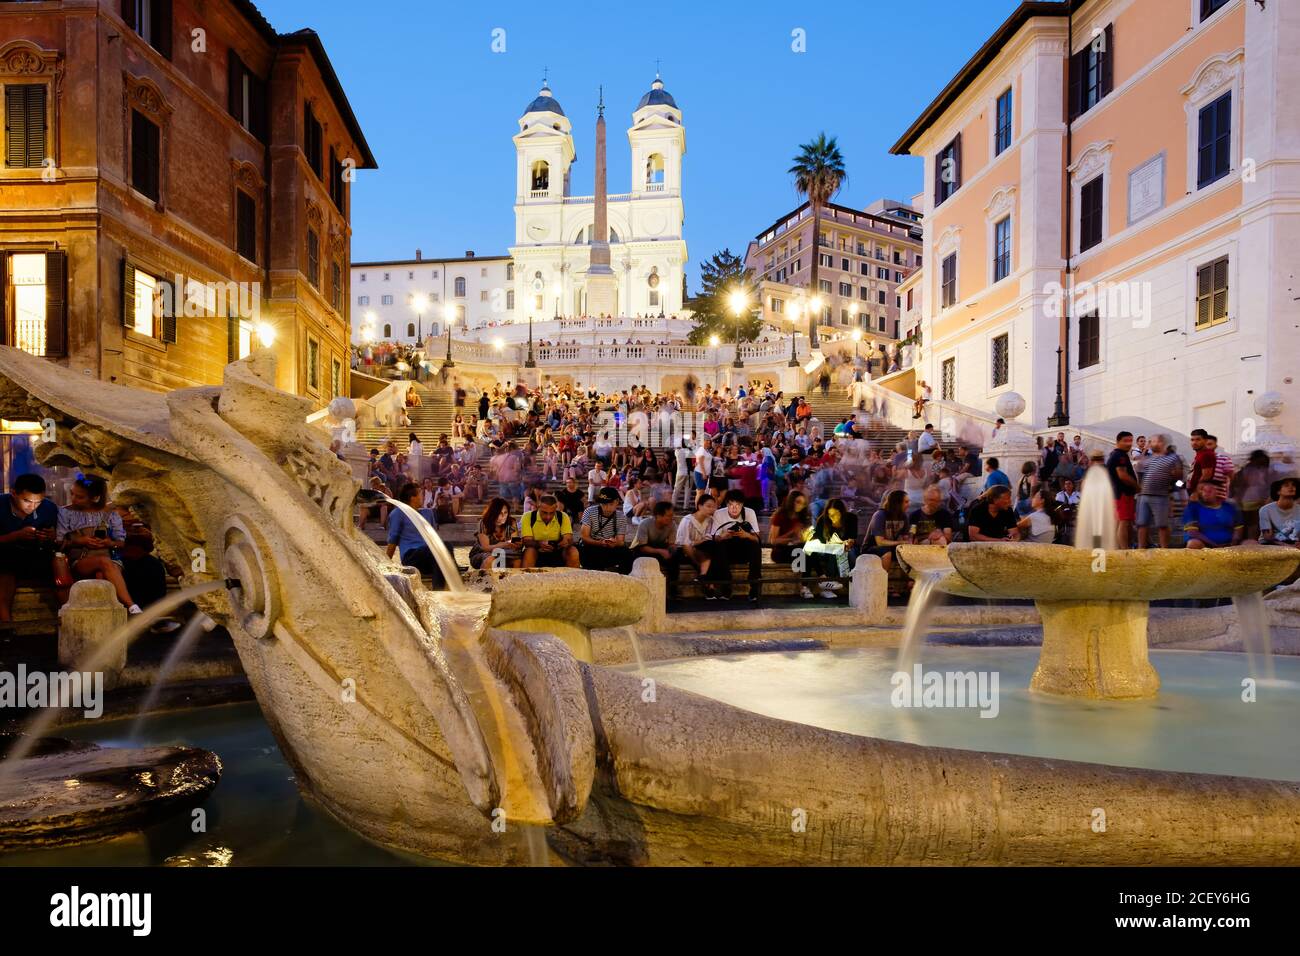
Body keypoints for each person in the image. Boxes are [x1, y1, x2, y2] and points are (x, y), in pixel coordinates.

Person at [57, 474, 143, 614]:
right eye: (72, 494)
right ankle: (131, 606)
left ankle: (106, 620)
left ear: (94, 497)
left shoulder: (109, 513)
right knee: (104, 563)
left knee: (101, 575)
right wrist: (79, 541)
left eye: (80, 497)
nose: (73, 499)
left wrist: (108, 542)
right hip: (80, 560)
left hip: (110, 560)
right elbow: (59, 543)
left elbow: (121, 543)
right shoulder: (66, 512)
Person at [0, 473, 60, 625]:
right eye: (27, 501)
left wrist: (51, 536)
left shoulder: (49, 508)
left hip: (37, 555)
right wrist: (15, 536)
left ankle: (67, 619)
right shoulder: (1, 504)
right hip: (5, 556)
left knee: (60, 566)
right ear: (13, 493)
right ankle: (6, 624)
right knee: (5, 570)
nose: (32, 507)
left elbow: (61, 539)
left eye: (37, 502)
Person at [385, 482, 447, 587]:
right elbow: (393, 542)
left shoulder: (428, 513)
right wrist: (385, 565)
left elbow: (435, 538)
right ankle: (439, 591)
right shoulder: (398, 513)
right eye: (421, 494)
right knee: (435, 550)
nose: (423, 497)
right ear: (412, 498)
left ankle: (444, 588)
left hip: (429, 556)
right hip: (411, 556)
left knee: (446, 546)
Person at [709, 490, 763, 602]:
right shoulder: (719, 514)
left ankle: (754, 585)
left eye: (738, 505)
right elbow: (714, 538)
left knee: (755, 546)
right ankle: (726, 585)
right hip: (727, 550)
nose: (734, 508)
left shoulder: (749, 513)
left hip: (744, 549)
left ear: (742, 505)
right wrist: (723, 536)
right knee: (719, 546)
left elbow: (757, 538)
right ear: (726, 504)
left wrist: (746, 535)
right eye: (731, 505)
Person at [1136, 433, 1183, 549]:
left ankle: (1164, 549)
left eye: (1152, 441)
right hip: (1144, 495)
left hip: (1160, 496)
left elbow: (1180, 477)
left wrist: (1175, 488)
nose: (1149, 444)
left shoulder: (1173, 458)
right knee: (1142, 524)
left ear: (1161, 443)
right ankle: (1141, 549)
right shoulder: (1148, 459)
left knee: (1162, 525)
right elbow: (1139, 471)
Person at [805, 498, 858, 597]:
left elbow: (852, 539)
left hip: (847, 548)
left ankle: (853, 584)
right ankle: (827, 585)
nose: (832, 517)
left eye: (836, 514)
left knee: (850, 554)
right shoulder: (823, 520)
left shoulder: (851, 518)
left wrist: (845, 544)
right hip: (827, 549)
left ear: (842, 513)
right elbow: (817, 540)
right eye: (830, 514)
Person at [676, 494, 723, 599]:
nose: (712, 509)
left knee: (711, 550)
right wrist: (697, 561)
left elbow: (709, 539)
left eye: (714, 507)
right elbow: (684, 543)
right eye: (708, 506)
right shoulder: (687, 520)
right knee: (705, 553)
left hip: (702, 550)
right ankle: (707, 582)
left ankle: (704, 579)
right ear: (699, 506)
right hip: (686, 552)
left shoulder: (710, 521)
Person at [579, 487, 631, 573]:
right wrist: (599, 543)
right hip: (592, 546)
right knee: (589, 553)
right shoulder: (590, 511)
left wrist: (614, 543)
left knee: (627, 553)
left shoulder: (621, 516)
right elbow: (584, 537)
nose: (606, 507)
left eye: (610, 504)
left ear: (617, 502)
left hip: (609, 547)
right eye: (603, 504)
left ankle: (623, 579)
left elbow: (621, 541)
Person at [520, 494, 580, 568]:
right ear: (538, 507)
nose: (548, 517)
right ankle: (527, 578)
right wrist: (539, 544)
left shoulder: (562, 516)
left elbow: (569, 539)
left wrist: (566, 542)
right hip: (536, 552)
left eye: (552, 513)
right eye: (544, 512)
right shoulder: (528, 516)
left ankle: (573, 578)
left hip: (557, 552)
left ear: (556, 508)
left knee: (573, 551)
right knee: (530, 551)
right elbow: (526, 541)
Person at [1183, 481, 1243, 549]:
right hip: (1205, 545)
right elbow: (1192, 532)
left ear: (1217, 492)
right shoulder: (1192, 508)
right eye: (1202, 490)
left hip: (1230, 545)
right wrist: (1215, 546)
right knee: (1193, 544)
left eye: (1209, 491)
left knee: (1251, 543)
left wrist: (1233, 543)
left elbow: (1238, 529)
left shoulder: (1230, 507)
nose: (1205, 493)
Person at [630, 501, 681, 580]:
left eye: (672, 515)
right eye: (669, 516)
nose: (672, 518)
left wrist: (672, 549)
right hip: (642, 550)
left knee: (676, 556)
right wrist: (661, 551)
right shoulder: (645, 524)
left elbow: (671, 543)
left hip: (659, 548)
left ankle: (673, 585)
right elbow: (643, 547)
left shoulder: (672, 524)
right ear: (658, 516)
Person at [1106, 431, 1139, 549]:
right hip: (1122, 493)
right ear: (1118, 442)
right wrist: (1137, 486)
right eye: (1125, 441)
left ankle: (1117, 548)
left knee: (1121, 522)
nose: (1129, 444)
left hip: (1120, 493)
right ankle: (1125, 551)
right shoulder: (1119, 455)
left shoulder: (1118, 454)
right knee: (1123, 522)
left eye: (1130, 441)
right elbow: (1122, 475)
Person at [468, 497, 521, 570]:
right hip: (482, 554)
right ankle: (483, 580)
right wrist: (500, 545)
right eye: (499, 513)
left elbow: (515, 541)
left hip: (504, 553)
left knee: (517, 561)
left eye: (505, 513)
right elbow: (485, 548)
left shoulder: (511, 522)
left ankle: (513, 581)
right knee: (491, 559)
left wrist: (518, 543)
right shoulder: (484, 523)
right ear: (493, 513)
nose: (502, 517)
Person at [865, 489, 909, 572]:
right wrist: (900, 542)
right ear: (898, 503)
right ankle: (883, 582)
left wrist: (909, 541)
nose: (908, 504)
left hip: (891, 547)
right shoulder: (880, 515)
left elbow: (904, 538)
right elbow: (879, 542)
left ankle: (909, 582)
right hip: (872, 547)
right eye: (906, 502)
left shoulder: (904, 517)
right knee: (887, 553)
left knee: (910, 551)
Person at [1259, 478, 1299, 546]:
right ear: (1278, 491)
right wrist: (1287, 546)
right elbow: (1268, 537)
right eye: (1286, 485)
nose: (1291, 487)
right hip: (1271, 545)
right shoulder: (1265, 510)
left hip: (1294, 544)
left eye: (1293, 485)